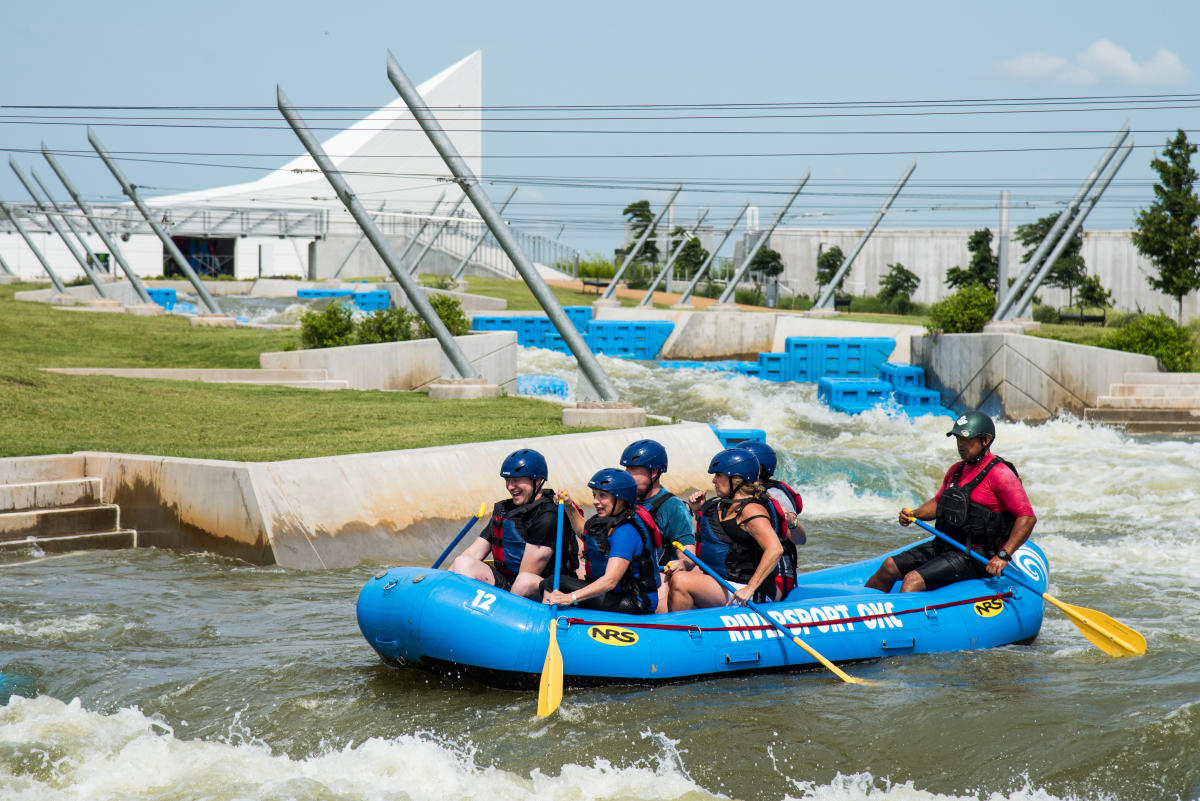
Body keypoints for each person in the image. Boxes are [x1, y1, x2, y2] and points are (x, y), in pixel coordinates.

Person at [864, 411, 1036, 593]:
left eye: (967, 439)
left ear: (985, 440)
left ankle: (904, 612)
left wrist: (1003, 555)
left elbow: (1027, 518)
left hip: (978, 554)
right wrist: (915, 514)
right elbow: (938, 503)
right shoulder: (956, 470)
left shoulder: (1000, 474)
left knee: (912, 581)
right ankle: (862, 608)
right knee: (889, 566)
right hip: (947, 543)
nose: (961, 444)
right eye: (958, 438)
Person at [450, 448, 576, 599]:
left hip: (540, 587)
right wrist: (441, 580)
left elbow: (526, 575)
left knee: (524, 582)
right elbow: (473, 553)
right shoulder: (505, 510)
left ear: (537, 481)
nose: (510, 486)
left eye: (516, 480)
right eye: (507, 480)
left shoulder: (548, 516)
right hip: (510, 584)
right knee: (463, 562)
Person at [666, 449, 784, 610]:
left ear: (736, 479)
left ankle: (680, 625)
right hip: (722, 580)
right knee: (671, 575)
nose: (713, 481)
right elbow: (719, 539)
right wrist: (698, 510)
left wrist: (750, 588)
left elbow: (775, 549)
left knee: (681, 581)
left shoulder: (751, 510)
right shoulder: (721, 505)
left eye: (718, 475)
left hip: (749, 591)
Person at [543, 469, 661, 614]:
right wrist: (569, 506)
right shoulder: (614, 518)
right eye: (594, 495)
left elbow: (610, 581)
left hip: (635, 602)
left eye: (602, 496)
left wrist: (569, 598)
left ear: (621, 499)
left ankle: (547, 620)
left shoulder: (626, 531)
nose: (595, 501)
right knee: (553, 581)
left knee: (551, 584)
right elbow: (584, 533)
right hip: (619, 594)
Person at [620, 439, 696, 612]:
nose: (626, 476)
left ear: (654, 473)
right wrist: (571, 508)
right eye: (626, 469)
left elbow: (689, 553)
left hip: (659, 576)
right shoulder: (622, 500)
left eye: (632, 470)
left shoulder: (673, 507)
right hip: (623, 571)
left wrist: (682, 564)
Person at [733, 439, 806, 546]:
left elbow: (800, 540)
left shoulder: (776, 494)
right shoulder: (735, 491)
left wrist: (791, 521)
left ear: (759, 467)